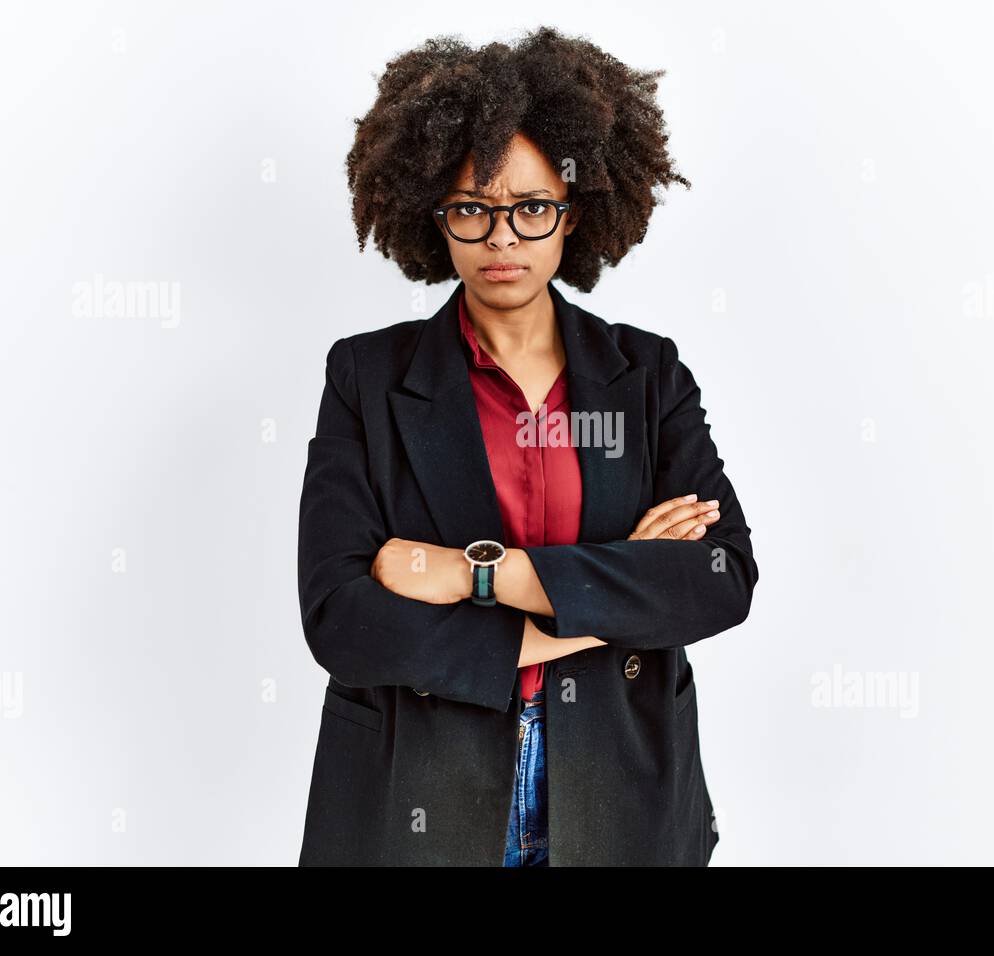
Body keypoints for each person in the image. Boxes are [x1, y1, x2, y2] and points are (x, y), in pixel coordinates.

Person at [297, 26, 757, 866]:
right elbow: (342, 617)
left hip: (622, 790)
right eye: (473, 208)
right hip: (417, 793)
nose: (502, 238)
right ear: (433, 217)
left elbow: (721, 577)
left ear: (572, 214)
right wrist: (590, 604)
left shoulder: (647, 374)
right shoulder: (365, 376)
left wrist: (479, 573)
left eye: (531, 208)